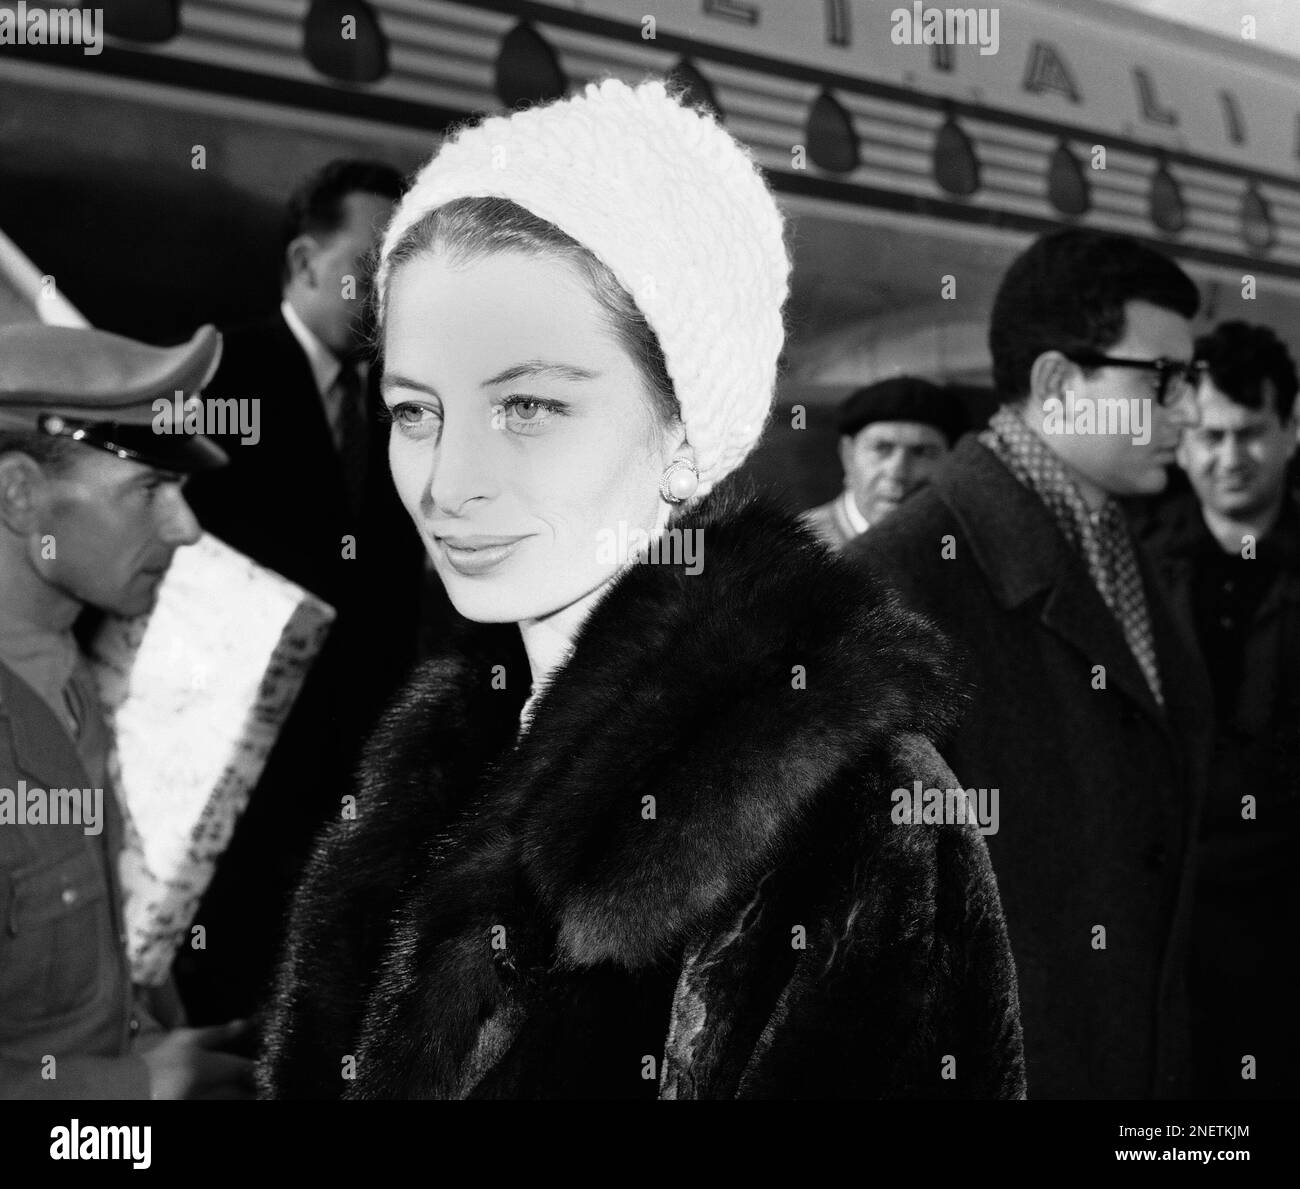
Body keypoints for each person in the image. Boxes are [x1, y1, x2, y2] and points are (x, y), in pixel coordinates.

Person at [258, 80, 1025, 1100]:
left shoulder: (849, 810)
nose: (447, 481)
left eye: (527, 404)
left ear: (682, 433)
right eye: (413, 411)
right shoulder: (445, 753)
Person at [849, 229, 1213, 1099]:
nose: (1189, 411)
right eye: (1162, 380)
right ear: (1057, 383)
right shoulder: (898, 582)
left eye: (1190, 381)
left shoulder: (1117, 542)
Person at [175, 160, 427, 1026]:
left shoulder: (412, 410)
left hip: (360, 782)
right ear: (304, 261)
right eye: (370, 263)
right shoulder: (211, 379)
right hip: (228, 779)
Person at [0, 322, 253, 1099]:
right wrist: (129, 1094)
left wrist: (149, 1033)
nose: (186, 527)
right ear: (18, 494)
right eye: (147, 488)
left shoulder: (64, 674)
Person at [1136, 320, 1300, 1098]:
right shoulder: (1133, 553)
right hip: (1175, 926)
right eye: (1206, 434)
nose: (1226, 458)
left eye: (1249, 433)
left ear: (1291, 429)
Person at [801, 376, 968, 550]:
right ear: (849, 455)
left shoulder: (962, 545)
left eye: (921, 452)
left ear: (951, 460)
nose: (898, 472)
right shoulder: (796, 547)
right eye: (882, 448)